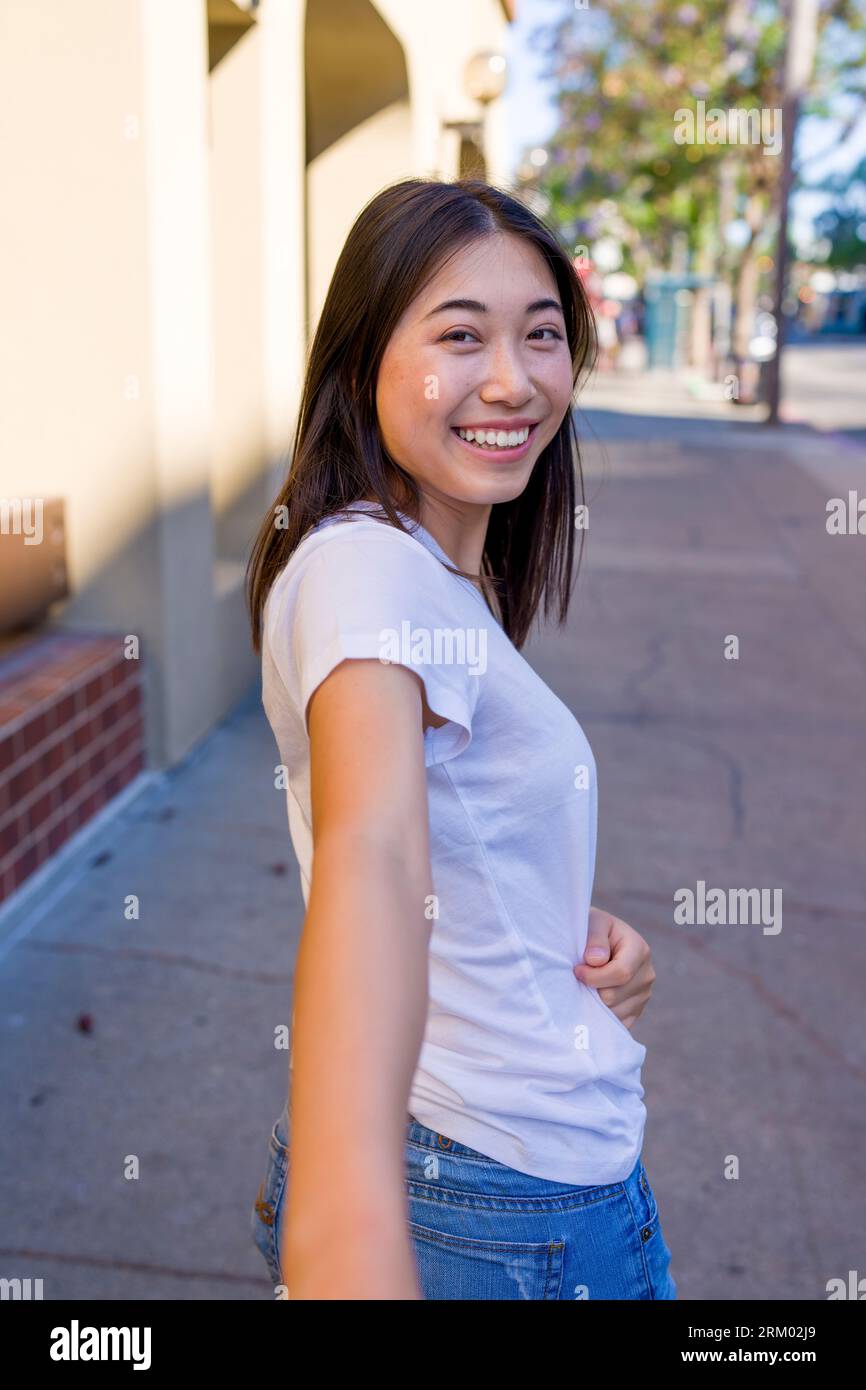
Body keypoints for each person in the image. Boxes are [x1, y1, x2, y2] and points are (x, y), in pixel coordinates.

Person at [245, 177, 676, 1300]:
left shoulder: (429, 572)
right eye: (457, 335)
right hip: (495, 1209)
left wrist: (565, 945)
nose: (511, 378)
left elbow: (443, 843)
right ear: (360, 360)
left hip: (497, 1191)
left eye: (541, 336)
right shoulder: (367, 568)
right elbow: (374, 858)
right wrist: (342, 1260)